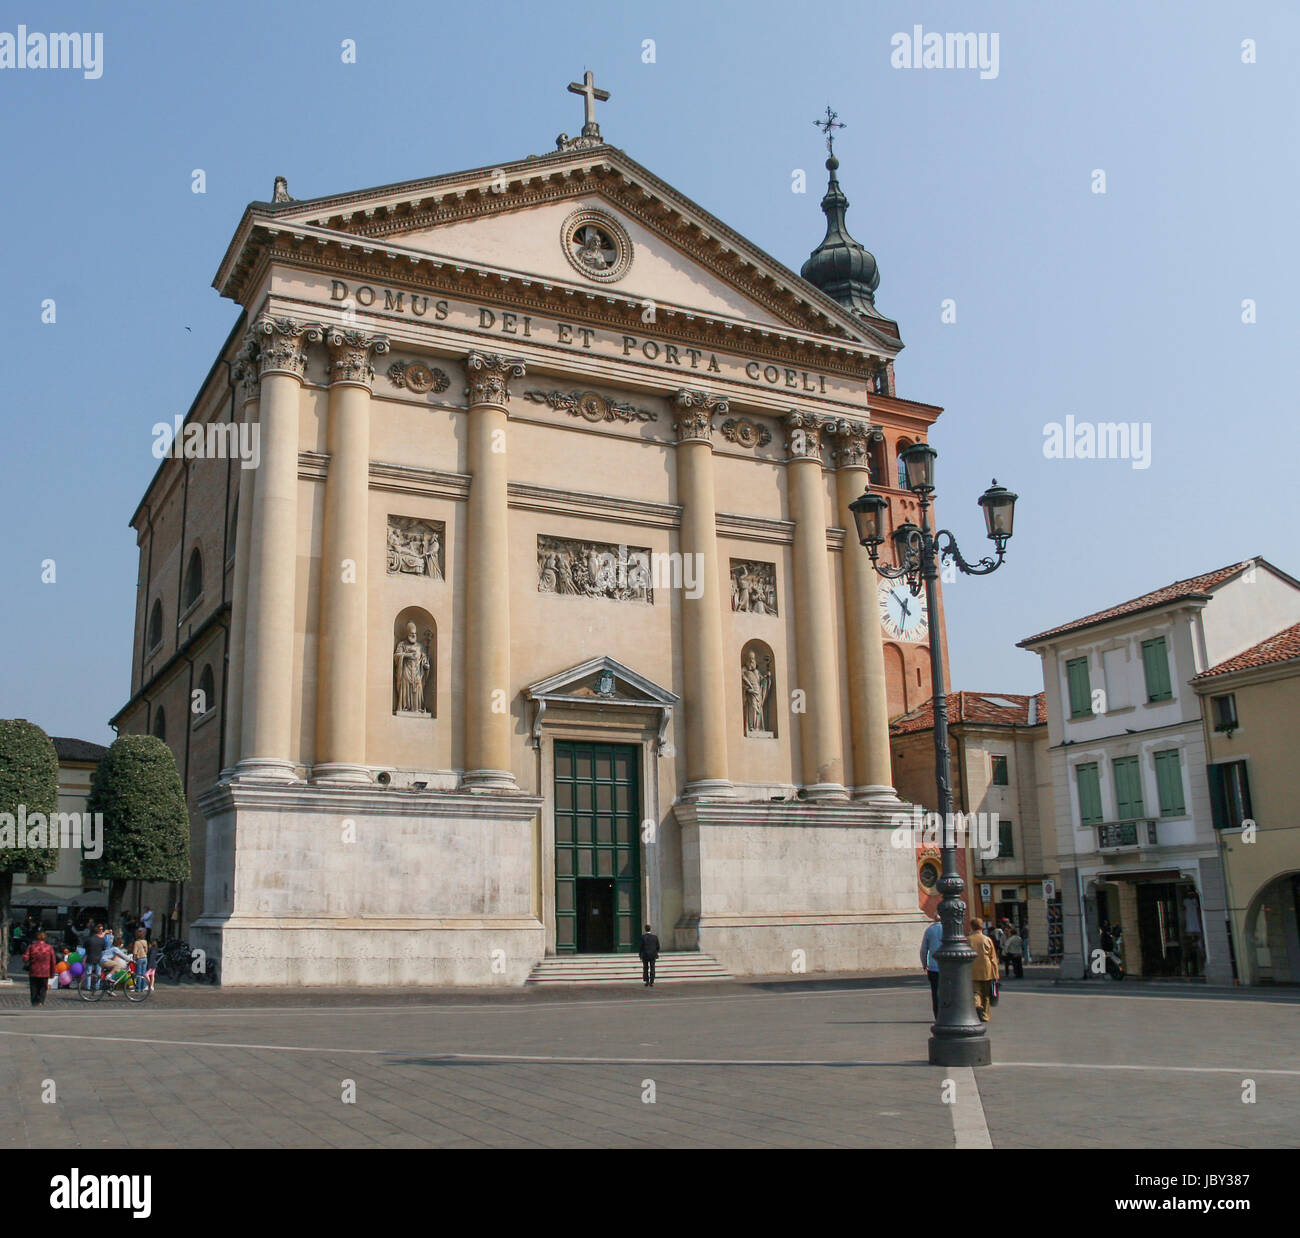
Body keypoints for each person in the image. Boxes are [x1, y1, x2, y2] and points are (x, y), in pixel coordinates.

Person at [968, 918, 999, 1023]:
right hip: (987, 969)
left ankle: (977, 1005)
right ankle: (985, 1016)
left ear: (972, 927)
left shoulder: (968, 940)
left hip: (972, 969)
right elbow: (993, 958)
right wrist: (996, 973)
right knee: (986, 994)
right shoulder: (987, 939)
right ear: (982, 927)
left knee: (975, 992)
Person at [23, 931, 57, 1007]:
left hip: (34, 970)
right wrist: (52, 973)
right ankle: (41, 1001)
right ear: (45, 938)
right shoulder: (49, 948)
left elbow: (25, 958)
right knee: (43, 987)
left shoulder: (31, 947)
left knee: (34, 987)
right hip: (45, 971)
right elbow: (53, 961)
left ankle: (34, 1002)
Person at [920, 917, 944, 1020]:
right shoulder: (949, 928)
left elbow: (924, 949)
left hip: (934, 967)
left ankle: (938, 1015)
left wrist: (924, 964)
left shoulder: (929, 930)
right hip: (948, 966)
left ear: (935, 918)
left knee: (936, 992)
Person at [83, 923, 106, 992]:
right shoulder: (102, 940)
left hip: (90, 957)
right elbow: (104, 948)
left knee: (88, 973)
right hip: (98, 958)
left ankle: (88, 987)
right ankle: (97, 987)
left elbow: (84, 946)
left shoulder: (89, 939)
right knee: (98, 973)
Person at [638, 923, 660, 987]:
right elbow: (658, 946)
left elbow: (641, 947)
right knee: (652, 968)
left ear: (645, 929)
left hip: (645, 955)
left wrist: (640, 954)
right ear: (650, 929)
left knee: (645, 968)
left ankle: (647, 981)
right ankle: (652, 982)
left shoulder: (643, 937)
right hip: (653, 955)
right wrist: (655, 952)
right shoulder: (655, 937)